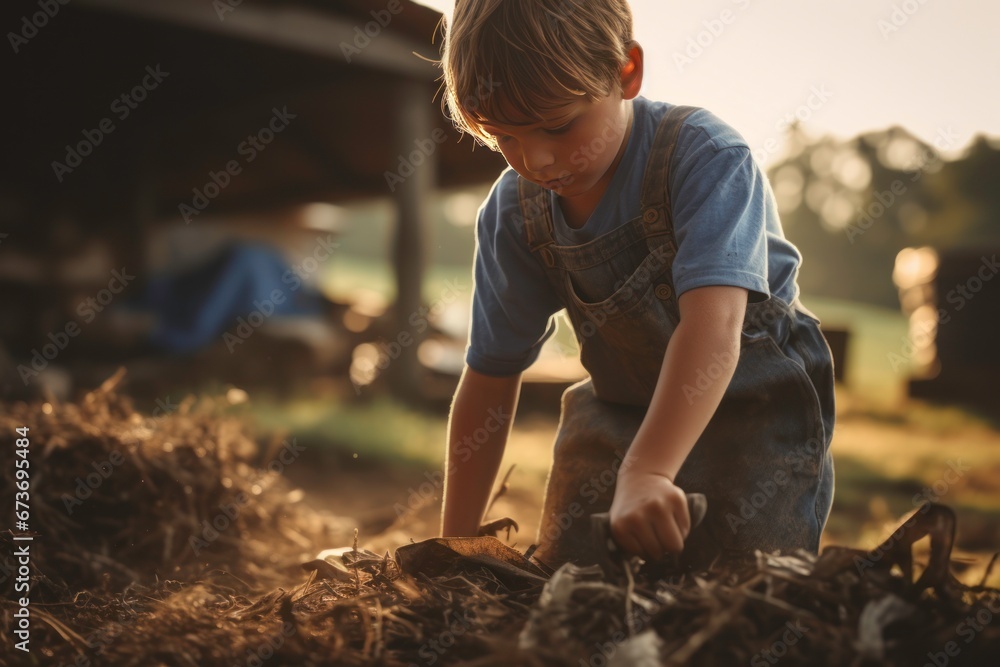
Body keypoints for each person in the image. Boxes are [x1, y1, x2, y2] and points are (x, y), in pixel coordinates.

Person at [437, 0, 835, 571]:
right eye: (505, 136)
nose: (538, 159)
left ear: (627, 71)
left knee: (744, 595)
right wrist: (453, 548)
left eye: (557, 125)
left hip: (754, 409)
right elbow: (489, 378)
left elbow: (712, 328)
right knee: (571, 587)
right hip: (617, 408)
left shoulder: (707, 159)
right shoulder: (512, 212)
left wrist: (647, 471)